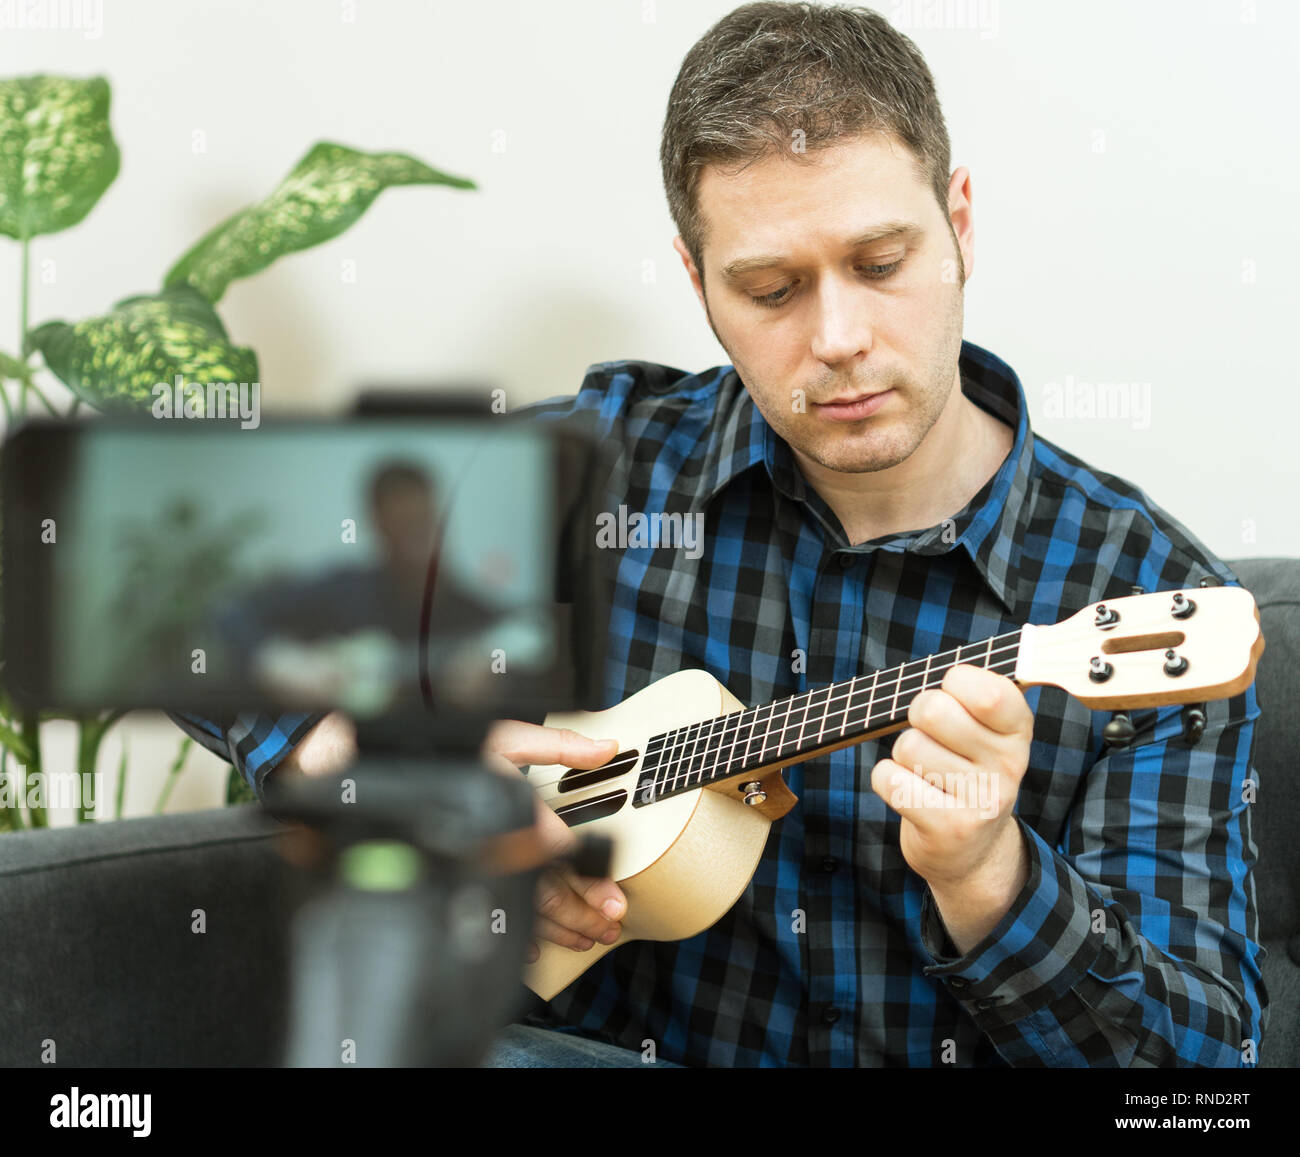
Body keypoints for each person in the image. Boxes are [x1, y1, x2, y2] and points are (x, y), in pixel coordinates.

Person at [173, 2, 1265, 1067]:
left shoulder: (1136, 589)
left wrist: (991, 880)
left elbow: (1202, 1075)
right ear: (698, 282)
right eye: (770, 288)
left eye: (880, 264)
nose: (836, 338)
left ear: (960, 222)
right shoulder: (608, 461)